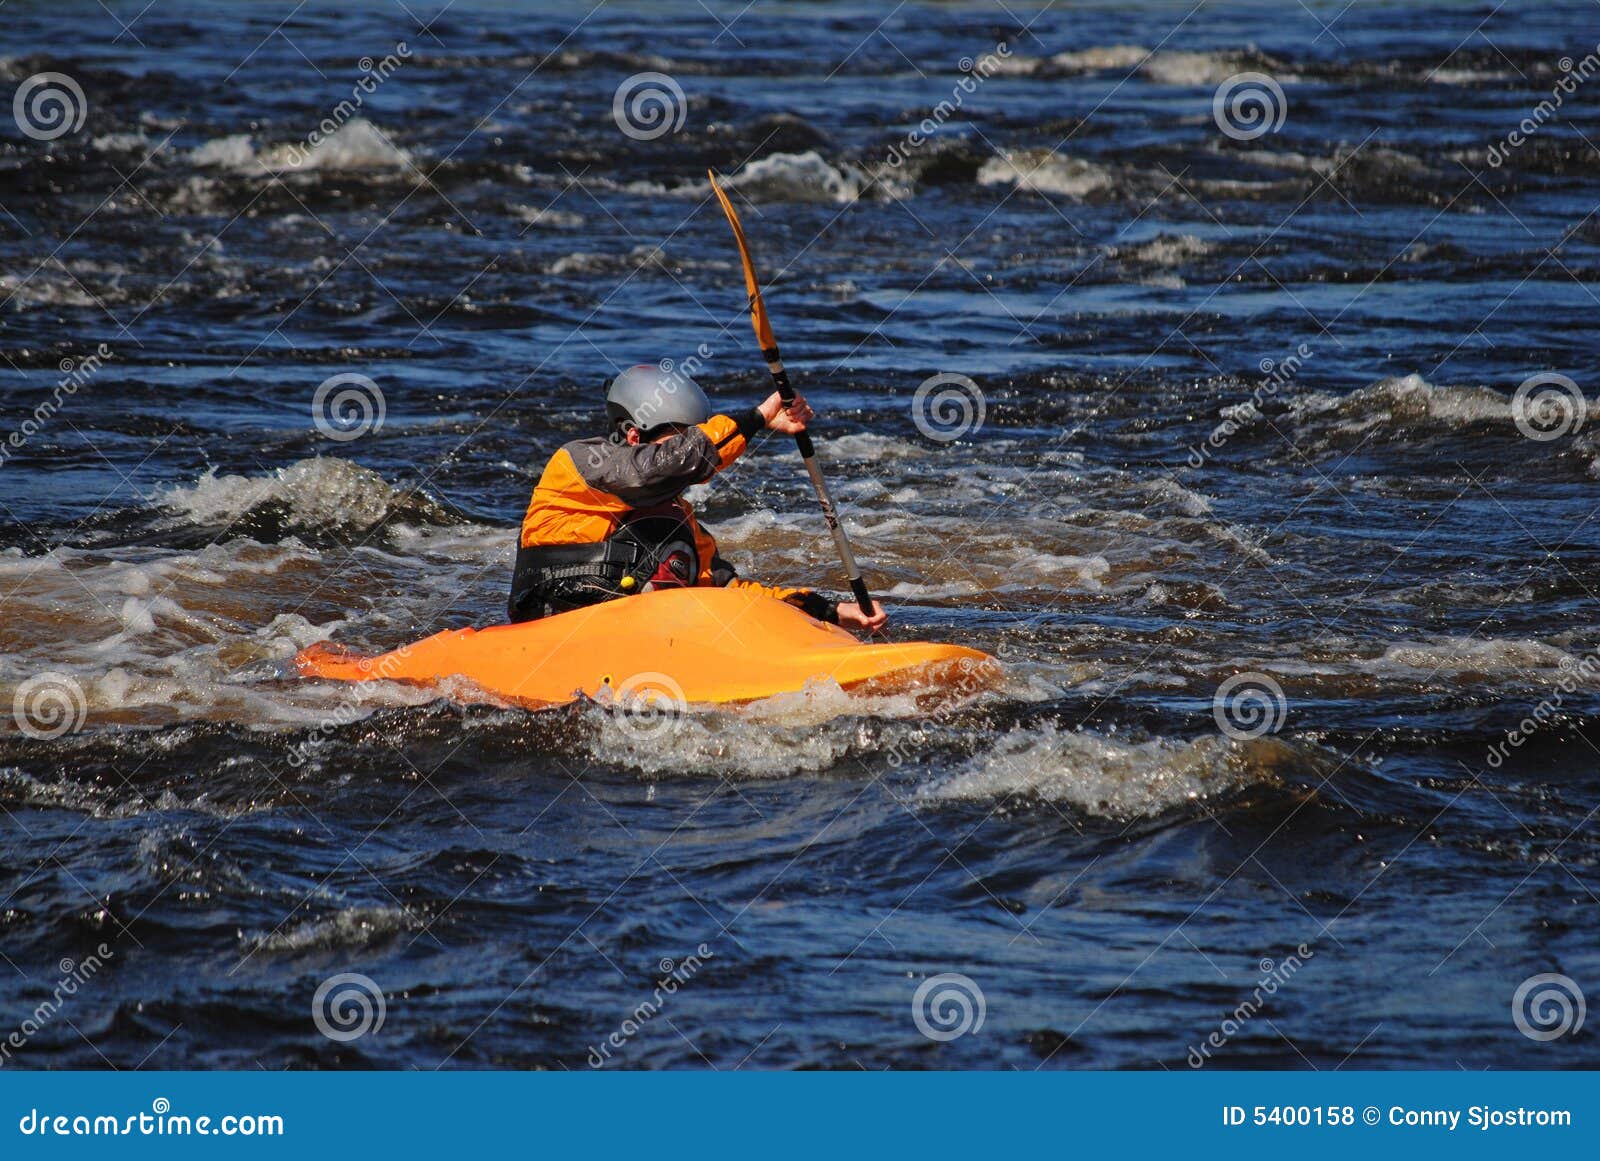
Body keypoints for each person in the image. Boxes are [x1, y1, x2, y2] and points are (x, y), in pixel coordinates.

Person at [508, 363, 890, 632]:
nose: (693, 453)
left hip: (643, 641)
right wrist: (756, 418)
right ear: (633, 437)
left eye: (695, 437)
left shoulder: (682, 523)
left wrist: (832, 611)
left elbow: (733, 595)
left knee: (677, 541)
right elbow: (660, 466)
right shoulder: (580, 464)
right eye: (681, 438)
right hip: (554, 627)